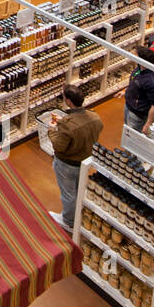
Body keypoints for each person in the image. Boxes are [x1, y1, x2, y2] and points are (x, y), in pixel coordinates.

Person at [47, 84, 104, 229]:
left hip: (67, 164)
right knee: (79, 189)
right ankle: (79, 214)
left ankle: (68, 221)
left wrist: (52, 129)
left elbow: (59, 145)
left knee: (68, 194)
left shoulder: (68, 125)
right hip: (85, 160)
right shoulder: (95, 117)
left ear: (69, 102)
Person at [124, 44, 154, 134]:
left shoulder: (152, 82)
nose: (132, 56)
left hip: (138, 115)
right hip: (129, 106)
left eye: (135, 55)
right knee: (127, 131)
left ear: (142, 60)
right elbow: (135, 83)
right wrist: (126, 91)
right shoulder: (139, 69)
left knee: (133, 137)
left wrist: (148, 124)